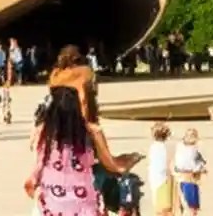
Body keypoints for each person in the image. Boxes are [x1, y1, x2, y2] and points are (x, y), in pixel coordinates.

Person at [26, 86, 137, 215]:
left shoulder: (43, 133)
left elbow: (35, 167)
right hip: (84, 205)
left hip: (49, 206)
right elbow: (111, 165)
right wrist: (129, 160)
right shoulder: (92, 132)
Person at [174, 128, 208, 216]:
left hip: (182, 178)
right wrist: (201, 169)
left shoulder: (181, 147)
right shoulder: (192, 150)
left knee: (186, 204)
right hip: (190, 179)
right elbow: (193, 165)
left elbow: (178, 164)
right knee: (192, 206)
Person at [148, 122, 174, 216]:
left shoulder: (153, 147)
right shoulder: (165, 147)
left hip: (155, 180)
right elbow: (167, 165)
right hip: (164, 179)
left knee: (160, 209)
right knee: (166, 209)